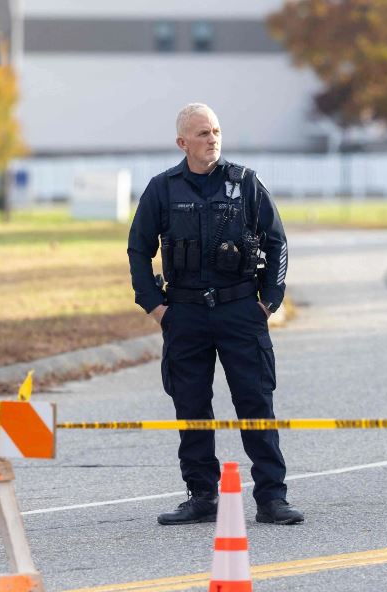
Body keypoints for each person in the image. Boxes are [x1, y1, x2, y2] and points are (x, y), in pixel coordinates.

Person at [127, 103, 304, 526]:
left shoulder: (246, 184)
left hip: (240, 309)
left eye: (217, 131)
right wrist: (154, 305)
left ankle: (271, 498)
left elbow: (277, 242)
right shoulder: (163, 189)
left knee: (255, 400)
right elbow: (138, 249)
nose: (212, 139)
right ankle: (202, 495)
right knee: (190, 405)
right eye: (203, 133)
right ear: (182, 142)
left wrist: (269, 301)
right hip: (185, 313)